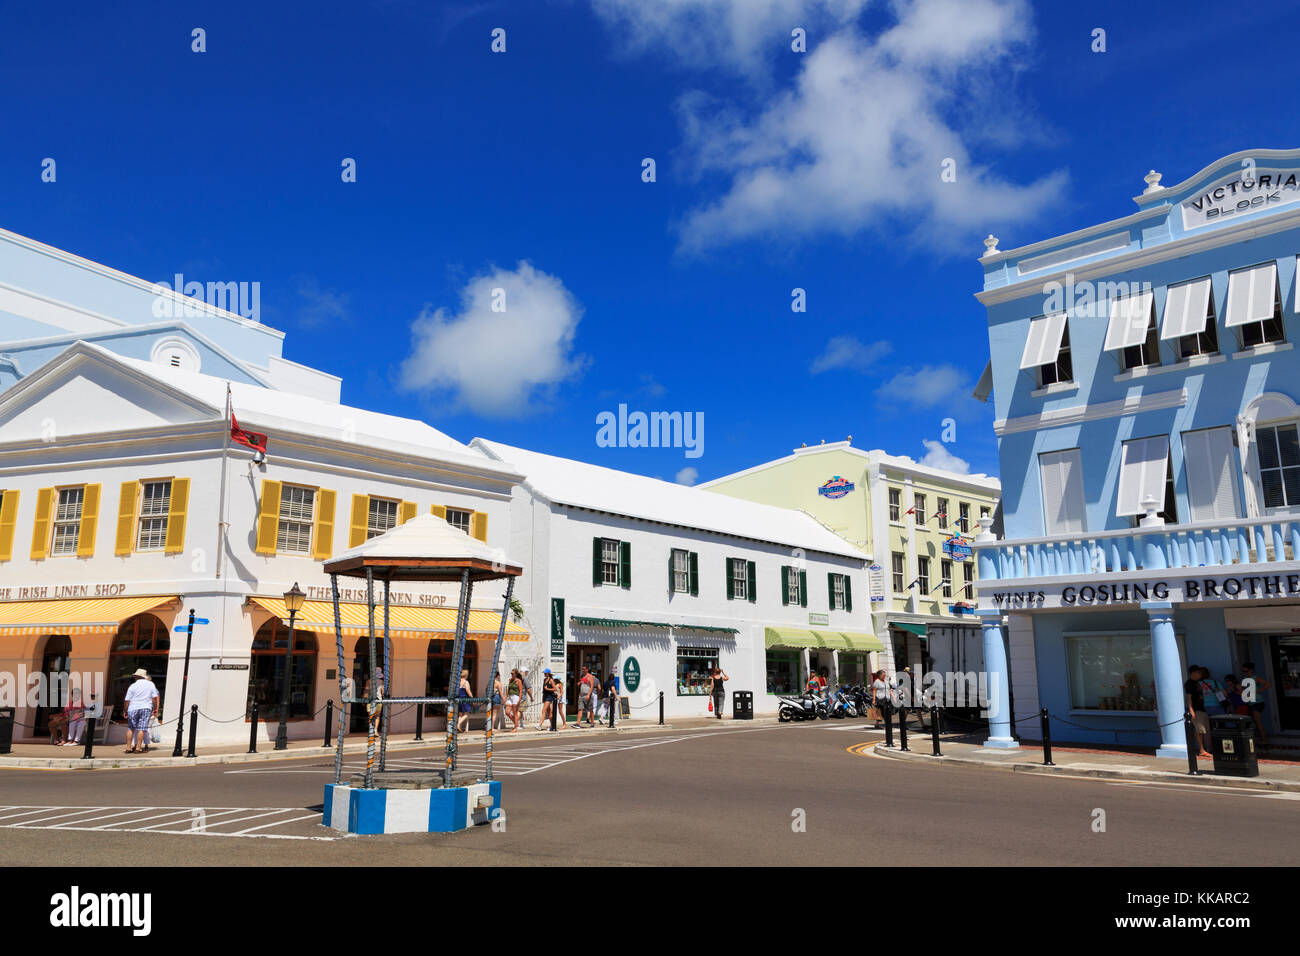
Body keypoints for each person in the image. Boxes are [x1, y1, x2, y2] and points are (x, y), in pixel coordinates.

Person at [123, 668, 160, 755]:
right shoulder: (150, 684)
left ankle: (128, 748)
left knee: (130, 728)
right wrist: (155, 709)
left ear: (136, 677)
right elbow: (154, 698)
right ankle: (138, 748)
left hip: (132, 708)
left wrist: (125, 710)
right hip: (145, 707)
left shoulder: (132, 686)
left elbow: (127, 700)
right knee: (142, 729)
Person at [1240, 661, 1271, 748]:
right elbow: (1242, 690)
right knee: (1255, 722)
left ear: (1251, 670)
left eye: (1246, 671)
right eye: (1243, 671)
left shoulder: (1255, 678)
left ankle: (1264, 740)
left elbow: (1268, 684)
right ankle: (1261, 739)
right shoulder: (1244, 679)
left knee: (1258, 722)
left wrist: (1258, 691)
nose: (1245, 673)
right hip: (1250, 703)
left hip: (1257, 702)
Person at [1184, 665, 1211, 758]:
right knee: (1199, 731)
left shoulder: (1198, 682)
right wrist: (1191, 710)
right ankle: (1201, 750)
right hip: (1196, 710)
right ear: (1193, 673)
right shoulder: (1189, 683)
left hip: (1202, 709)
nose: (1200, 674)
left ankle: (1205, 749)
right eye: (1198, 672)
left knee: (1204, 730)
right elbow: (1189, 698)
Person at [456, 668, 472, 733]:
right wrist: (472, 697)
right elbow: (468, 691)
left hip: (458, 699)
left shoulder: (458, 681)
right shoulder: (466, 682)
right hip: (464, 699)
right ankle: (458, 724)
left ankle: (459, 726)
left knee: (460, 714)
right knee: (466, 714)